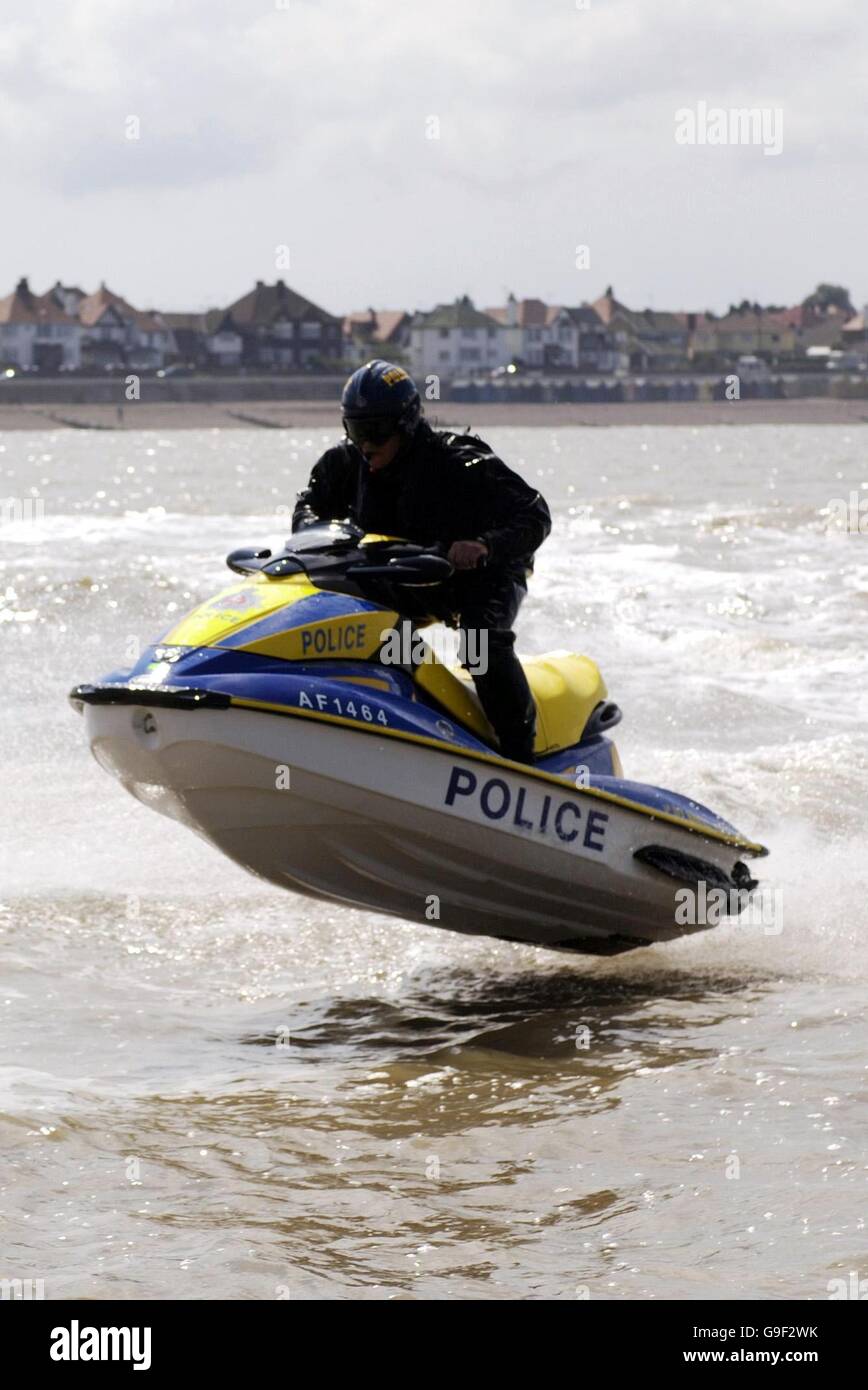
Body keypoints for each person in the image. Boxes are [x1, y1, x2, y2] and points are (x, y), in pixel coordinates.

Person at [293, 359, 551, 763]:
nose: (366, 444)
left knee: (479, 641)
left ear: (406, 424)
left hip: (481, 576)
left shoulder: (461, 463)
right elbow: (307, 514)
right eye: (356, 430)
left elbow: (535, 514)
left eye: (375, 431)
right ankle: (391, 720)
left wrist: (484, 545)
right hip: (401, 574)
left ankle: (521, 757)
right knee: (353, 617)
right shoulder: (342, 466)